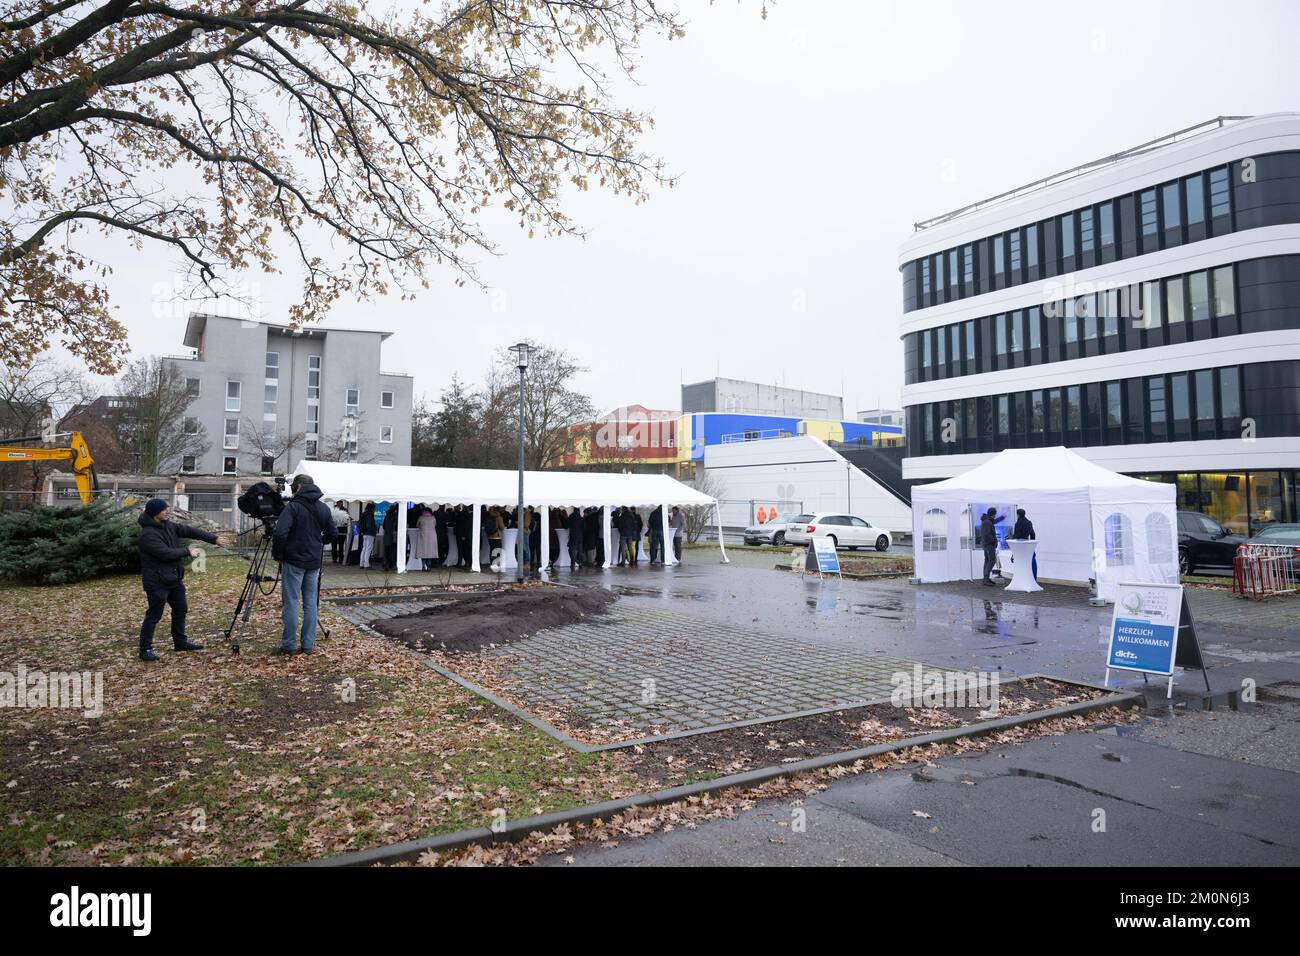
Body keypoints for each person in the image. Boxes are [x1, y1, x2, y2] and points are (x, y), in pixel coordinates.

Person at [137, 498, 231, 661]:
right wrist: (187, 551)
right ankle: (145, 649)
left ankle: (180, 642)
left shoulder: (169, 526)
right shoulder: (148, 534)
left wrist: (214, 538)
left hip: (174, 579)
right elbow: (164, 553)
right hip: (157, 582)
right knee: (154, 615)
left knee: (181, 609)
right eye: (164, 509)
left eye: (168, 508)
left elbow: (190, 531)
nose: (168, 511)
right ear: (154, 513)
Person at [271, 474, 334, 655]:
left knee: (291, 603)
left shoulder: (293, 508)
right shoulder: (323, 508)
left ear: (298, 488)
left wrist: (278, 555)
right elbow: (332, 533)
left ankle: (288, 645)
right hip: (313, 562)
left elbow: (280, 533)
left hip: (294, 561)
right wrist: (320, 541)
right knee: (311, 604)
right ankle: (308, 645)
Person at [979, 507, 1006, 586]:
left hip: (986, 544)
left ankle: (985, 578)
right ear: (994, 514)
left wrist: (1003, 517)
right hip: (989, 545)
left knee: (987, 560)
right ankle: (986, 579)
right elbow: (986, 534)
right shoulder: (987, 522)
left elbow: (994, 521)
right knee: (992, 561)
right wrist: (994, 540)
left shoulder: (987, 520)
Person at [1009, 507, 1038, 581]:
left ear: (1018, 515)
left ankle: (1022, 579)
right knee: (1032, 559)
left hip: (1020, 545)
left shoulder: (1018, 523)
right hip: (1028, 545)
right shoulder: (1029, 522)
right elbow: (1033, 534)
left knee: (1020, 562)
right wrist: (1032, 544)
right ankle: (1033, 578)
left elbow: (1016, 536)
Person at [416, 505, 439, 570]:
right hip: (432, 536)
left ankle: (423, 566)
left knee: (423, 551)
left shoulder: (421, 517)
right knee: (430, 551)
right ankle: (429, 566)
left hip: (423, 535)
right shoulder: (433, 518)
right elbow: (435, 525)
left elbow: (417, 525)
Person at [359, 502, 377, 568]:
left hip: (364, 533)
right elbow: (369, 525)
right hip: (370, 533)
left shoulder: (364, 514)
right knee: (368, 549)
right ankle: (366, 564)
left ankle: (361, 563)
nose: (375, 510)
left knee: (364, 548)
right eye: (374, 508)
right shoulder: (369, 515)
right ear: (371, 508)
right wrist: (374, 530)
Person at [381, 503, 399, 571]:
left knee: (386, 551)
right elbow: (397, 526)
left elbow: (384, 526)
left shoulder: (386, 516)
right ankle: (391, 565)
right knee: (393, 551)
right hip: (393, 536)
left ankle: (385, 564)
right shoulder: (396, 516)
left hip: (386, 536)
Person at [332, 499, 350, 564]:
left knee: (341, 545)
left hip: (342, 529)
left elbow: (347, 518)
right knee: (334, 544)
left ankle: (341, 559)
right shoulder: (334, 510)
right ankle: (334, 558)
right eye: (340, 503)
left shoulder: (345, 510)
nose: (341, 505)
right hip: (335, 529)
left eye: (341, 504)